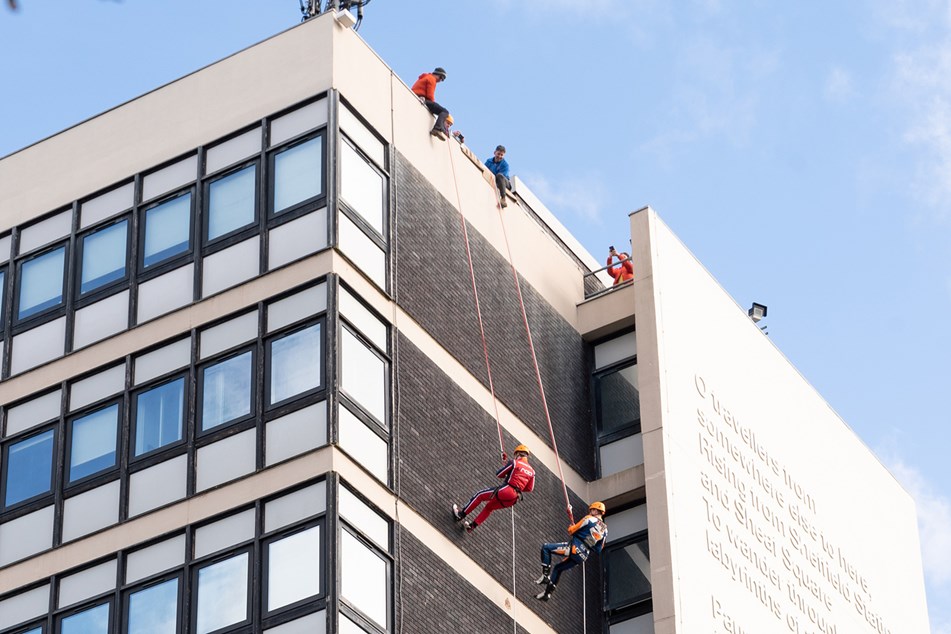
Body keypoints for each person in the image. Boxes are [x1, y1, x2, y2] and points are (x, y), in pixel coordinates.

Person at [534, 501, 608, 602]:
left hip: (574, 548)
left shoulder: (589, 519)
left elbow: (571, 530)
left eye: (592, 510)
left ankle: (545, 576)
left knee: (546, 548)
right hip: (582, 556)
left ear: (596, 511)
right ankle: (547, 593)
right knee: (558, 568)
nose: (590, 512)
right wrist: (587, 540)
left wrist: (572, 529)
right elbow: (599, 549)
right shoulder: (605, 530)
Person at [452, 444, 535, 533]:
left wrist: (507, 469)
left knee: (480, 495)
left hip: (506, 490)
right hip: (514, 498)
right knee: (489, 507)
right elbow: (530, 488)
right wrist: (517, 485)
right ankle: (472, 526)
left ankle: (460, 514)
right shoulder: (532, 471)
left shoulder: (514, 462)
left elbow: (499, 474)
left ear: (517, 454)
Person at [411, 67, 450, 139]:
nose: (440, 80)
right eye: (441, 78)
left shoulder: (426, 77)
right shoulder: (432, 79)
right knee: (445, 111)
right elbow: (430, 95)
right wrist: (433, 107)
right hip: (423, 98)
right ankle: (437, 129)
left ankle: (440, 128)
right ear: (437, 74)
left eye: (442, 80)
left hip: (419, 96)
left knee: (437, 108)